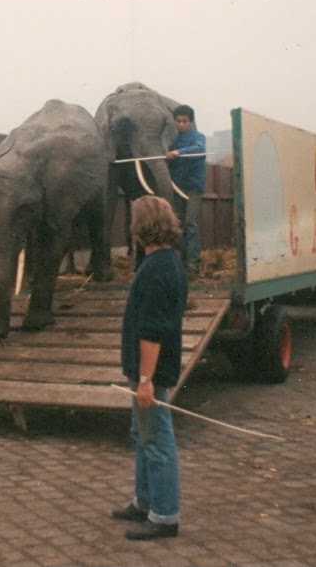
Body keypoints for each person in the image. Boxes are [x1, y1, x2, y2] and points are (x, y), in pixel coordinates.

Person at [112, 195, 188, 541]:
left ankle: (165, 515)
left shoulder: (158, 270)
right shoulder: (166, 262)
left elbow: (153, 331)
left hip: (152, 372)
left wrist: (145, 380)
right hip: (146, 371)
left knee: (156, 440)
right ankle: (144, 502)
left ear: (141, 228)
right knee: (142, 436)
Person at [166, 105, 206, 278]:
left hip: (193, 189)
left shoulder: (199, 138)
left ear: (191, 122)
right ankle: (181, 262)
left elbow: (199, 150)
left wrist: (179, 153)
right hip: (178, 188)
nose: (181, 124)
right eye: (178, 121)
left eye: (185, 121)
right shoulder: (174, 142)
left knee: (190, 222)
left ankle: (193, 264)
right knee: (179, 224)